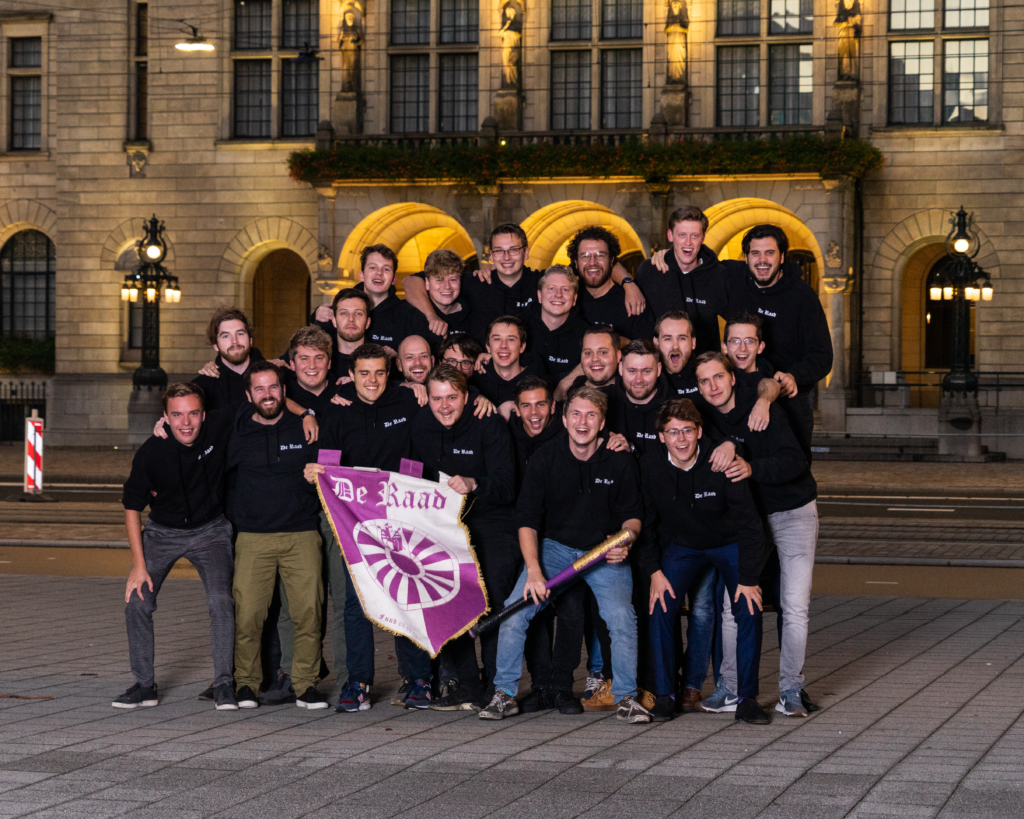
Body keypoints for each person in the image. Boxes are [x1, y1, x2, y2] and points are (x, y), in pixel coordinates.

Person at [483, 385, 650, 723]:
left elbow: (633, 516)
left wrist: (626, 540)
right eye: (576, 413)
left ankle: (627, 698)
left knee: (621, 616)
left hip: (603, 551)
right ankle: (504, 694)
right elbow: (527, 521)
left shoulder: (619, 459)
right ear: (564, 418)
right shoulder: (546, 458)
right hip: (555, 549)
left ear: (602, 422)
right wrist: (533, 570)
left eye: (591, 415)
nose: (582, 421)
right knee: (516, 612)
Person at [307, 343, 434, 712]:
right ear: (352, 375)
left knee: (406, 597)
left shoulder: (408, 402)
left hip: (400, 519)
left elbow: (417, 455)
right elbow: (328, 466)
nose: (372, 380)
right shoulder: (337, 409)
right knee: (354, 602)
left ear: (389, 372)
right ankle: (357, 682)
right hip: (353, 521)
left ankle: (418, 679)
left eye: (379, 372)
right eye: (364, 373)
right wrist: (316, 473)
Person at [695, 352, 819, 718]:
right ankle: (730, 688)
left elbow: (795, 461)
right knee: (732, 606)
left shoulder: (762, 410)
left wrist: (750, 464)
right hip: (749, 520)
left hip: (793, 511)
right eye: (704, 381)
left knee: (794, 606)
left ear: (732, 378)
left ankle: (791, 689)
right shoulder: (706, 422)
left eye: (718, 377)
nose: (712, 386)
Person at [637, 399, 768, 724]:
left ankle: (747, 698)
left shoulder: (721, 461)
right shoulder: (650, 467)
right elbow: (645, 525)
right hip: (683, 546)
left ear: (698, 432)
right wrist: (654, 571)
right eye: (672, 432)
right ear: (661, 437)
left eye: (687, 431)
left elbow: (752, 526)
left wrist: (749, 578)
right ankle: (666, 695)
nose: (680, 439)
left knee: (749, 605)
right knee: (660, 604)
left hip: (729, 543)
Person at [116, 383, 237, 711]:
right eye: (177, 414)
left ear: (204, 414)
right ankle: (144, 685)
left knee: (221, 600)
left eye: (193, 413)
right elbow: (131, 508)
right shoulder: (152, 451)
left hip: (211, 531)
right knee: (137, 602)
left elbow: (260, 392)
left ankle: (224, 683)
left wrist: (306, 415)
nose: (186, 422)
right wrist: (138, 566)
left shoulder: (219, 426)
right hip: (162, 534)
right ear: (165, 417)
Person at [410, 365, 518, 710]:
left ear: (466, 396)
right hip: (443, 524)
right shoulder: (420, 425)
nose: (444, 406)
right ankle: (468, 684)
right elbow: (409, 475)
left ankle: (497, 684)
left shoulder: (489, 424)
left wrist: (475, 484)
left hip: (491, 521)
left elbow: (507, 484)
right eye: (438, 398)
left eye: (452, 398)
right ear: (427, 398)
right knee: (447, 599)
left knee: (491, 602)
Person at [227, 361, 328, 709]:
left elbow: (330, 471)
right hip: (253, 538)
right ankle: (246, 684)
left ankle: (305, 684)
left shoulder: (306, 428)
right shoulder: (236, 429)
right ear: (248, 395)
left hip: (301, 533)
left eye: (273, 388)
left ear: (284, 391)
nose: (267, 395)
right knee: (249, 616)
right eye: (259, 389)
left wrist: (321, 474)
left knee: (308, 613)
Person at [506, 377, 587, 715]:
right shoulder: (506, 433)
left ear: (554, 408)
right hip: (522, 533)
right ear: (517, 409)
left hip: (562, 537)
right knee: (531, 609)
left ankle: (562, 687)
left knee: (571, 611)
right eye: (526, 405)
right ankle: (541, 685)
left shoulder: (568, 437)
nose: (534, 412)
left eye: (541, 404)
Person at [726, 225, 833, 460]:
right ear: (745, 257)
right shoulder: (734, 279)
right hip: (744, 389)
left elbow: (822, 356)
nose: (762, 260)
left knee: (793, 460)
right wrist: (663, 256)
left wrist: (795, 376)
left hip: (789, 394)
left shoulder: (803, 297)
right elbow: (697, 261)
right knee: (746, 459)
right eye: (755, 253)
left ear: (782, 257)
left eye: (770, 253)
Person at [635, 206, 728, 356]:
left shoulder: (718, 274)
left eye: (694, 236)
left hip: (703, 370)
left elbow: (739, 319)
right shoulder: (650, 270)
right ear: (670, 236)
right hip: (660, 370)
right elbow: (635, 321)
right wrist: (627, 283)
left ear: (703, 238)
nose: (688, 242)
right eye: (682, 235)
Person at [567, 225, 655, 342]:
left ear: (612, 260)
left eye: (600, 255)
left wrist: (617, 342)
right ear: (576, 262)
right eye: (585, 256)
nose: (592, 262)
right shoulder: (569, 298)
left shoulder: (633, 301)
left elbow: (646, 353)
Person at [524, 265, 589, 388]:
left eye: (565, 290)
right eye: (552, 288)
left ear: (574, 299)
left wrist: (564, 385)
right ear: (539, 296)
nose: (558, 295)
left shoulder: (586, 334)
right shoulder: (519, 326)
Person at [192, 307, 264, 410]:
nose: (234, 341)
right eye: (226, 336)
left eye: (240, 333)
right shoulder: (201, 387)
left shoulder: (275, 376)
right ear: (216, 345)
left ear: (250, 340)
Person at [475, 316, 540, 418]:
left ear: (522, 347)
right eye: (497, 339)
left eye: (511, 339)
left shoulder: (538, 382)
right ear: (488, 347)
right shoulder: (477, 379)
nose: (503, 345)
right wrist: (474, 396)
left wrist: (513, 405)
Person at [421, 248, 486, 344]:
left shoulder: (475, 313)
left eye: (453, 279)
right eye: (439, 280)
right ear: (427, 283)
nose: (447, 286)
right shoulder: (412, 316)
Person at [554, 325, 621, 402]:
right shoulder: (565, 395)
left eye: (603, 352)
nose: (595, 359)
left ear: (618, 356)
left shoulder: (630, 393)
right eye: (588, 353)